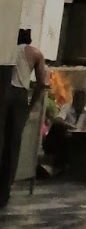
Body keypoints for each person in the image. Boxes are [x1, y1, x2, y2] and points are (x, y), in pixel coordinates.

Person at [0, 29, 47, 204]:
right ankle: (4, 193)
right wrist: (30, 106)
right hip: (20, 96)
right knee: (13, 145)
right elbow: (42, 83)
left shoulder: (7, 50)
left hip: (3, 91)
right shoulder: (35, 53)